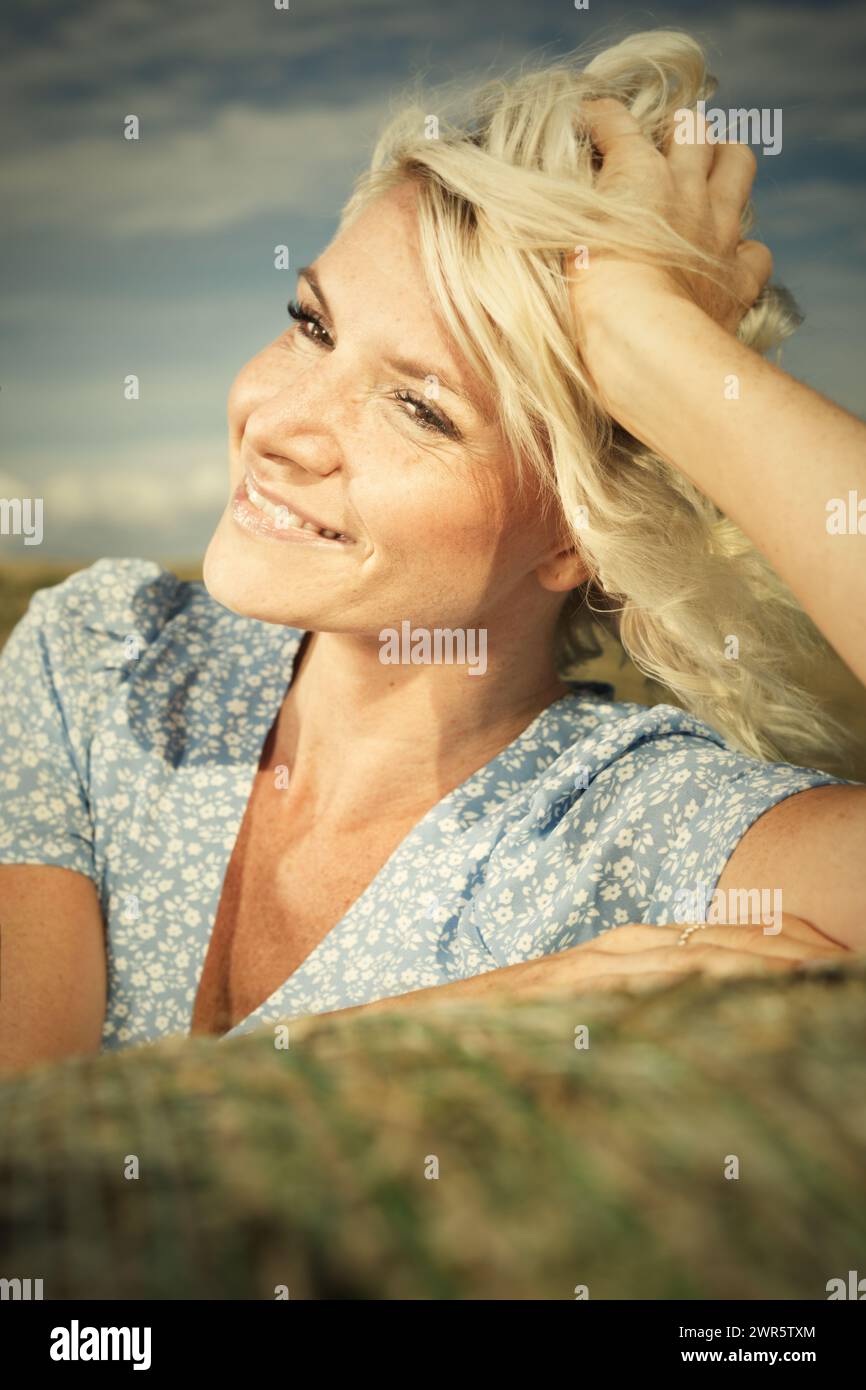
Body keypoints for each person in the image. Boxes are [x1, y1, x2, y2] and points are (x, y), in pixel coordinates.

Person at [1, 29, 864, 1072]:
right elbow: (24, 1126)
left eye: (417, 407)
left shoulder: (642, 831)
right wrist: (416, 1031)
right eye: (311, 324)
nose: (278, 425)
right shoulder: (102, 663)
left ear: (577, 536)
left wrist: (654, 342)